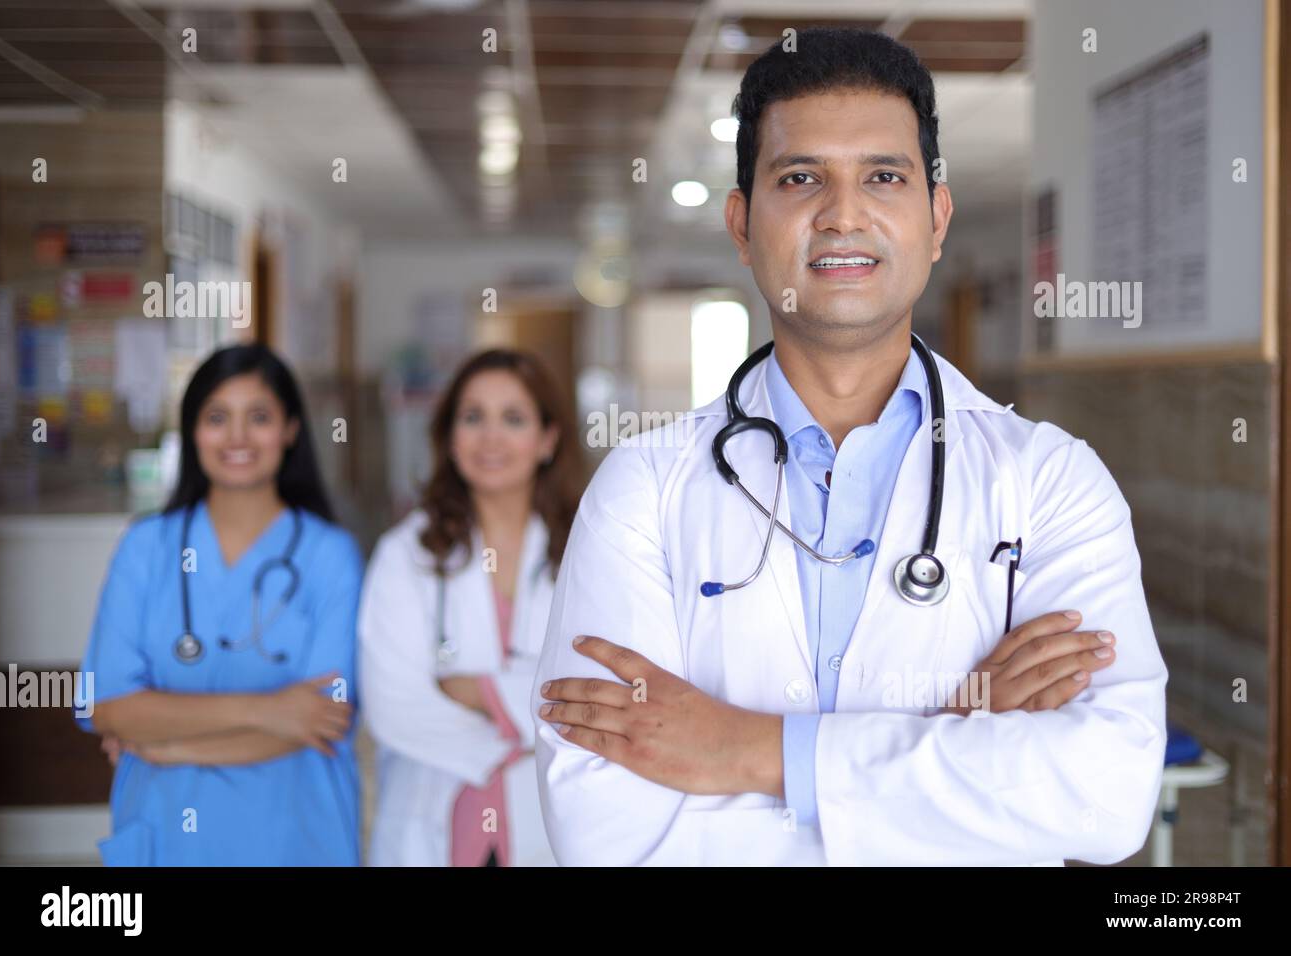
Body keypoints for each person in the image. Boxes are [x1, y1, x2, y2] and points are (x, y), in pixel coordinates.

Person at [534, 28, 1168, 866]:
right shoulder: (642, 489)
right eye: (801, 178)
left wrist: (753, 752)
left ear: (936, 218)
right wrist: (950, 739)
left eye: (884, 176)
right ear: (742, 222)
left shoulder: (1050, 482)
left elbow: (1106, 799)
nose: (842, 214)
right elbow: (601, 831)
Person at [79, 344, 362, 866]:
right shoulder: (145, 547)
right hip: (168, 832)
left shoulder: (330, 555)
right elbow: (109, 705)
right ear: (191, 431)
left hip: (293, 833)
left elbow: (322, 721)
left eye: (258, 417)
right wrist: (271, 709)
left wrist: (167, 745)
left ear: (291, 430)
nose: (237, 437)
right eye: (216, 417)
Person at [358, 349, 581, 866]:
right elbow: (392, 702)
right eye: (473, 417)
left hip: (552, 826)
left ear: (547, 439)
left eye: (514, 418)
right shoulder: (406, 554)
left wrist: (479, 690)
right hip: (431, 815)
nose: (491, 438)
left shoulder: (587, 548)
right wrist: (521, 736)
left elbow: (603, 690)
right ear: (449, 437)